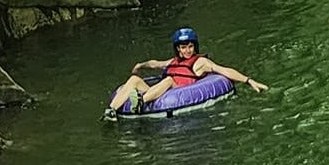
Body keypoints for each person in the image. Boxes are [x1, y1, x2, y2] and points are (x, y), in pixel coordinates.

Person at [105, 27, 268, 115]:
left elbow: (224, 70)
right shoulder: (173, 61)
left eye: (190, 46)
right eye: (184, 47)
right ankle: (111, 111)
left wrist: (249, 81)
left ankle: (140, 101)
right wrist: (141, 65)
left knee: (168, 80)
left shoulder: (200, 62)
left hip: (178, 90)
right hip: (160, 92)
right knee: (134, 80)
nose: (188, 50)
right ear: (178, 49)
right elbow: (155, 64)